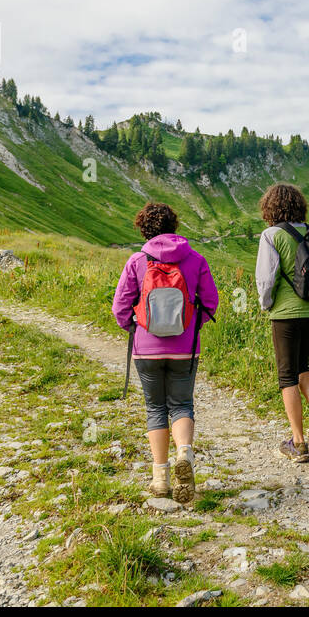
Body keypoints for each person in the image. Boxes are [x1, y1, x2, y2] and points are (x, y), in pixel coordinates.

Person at [112, 202, 218, 501]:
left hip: (146, 348)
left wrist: (133, 326)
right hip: (185, 348)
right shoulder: (196, 259)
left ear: (144, 229)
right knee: (182, 404)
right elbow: (210, 302)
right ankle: (184, 452)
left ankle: (160, 478)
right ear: (174, 226)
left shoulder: (136, 260)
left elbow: (120, 306)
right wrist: (193, 325)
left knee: (155, 408)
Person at [255, 183, 309, 463]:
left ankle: (299, 442)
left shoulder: (271, 235)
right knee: (303, 367)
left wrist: (267, 304)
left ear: (270, 207)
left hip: (285, 314)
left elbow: (267, 279)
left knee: (287, 376)